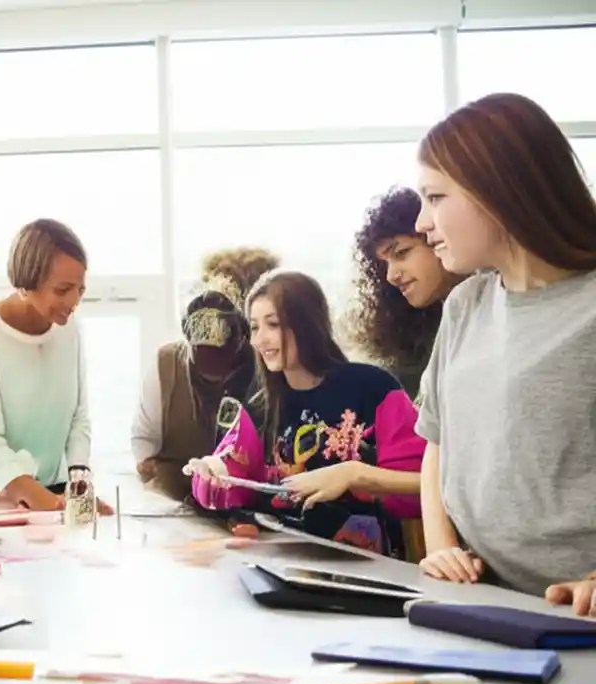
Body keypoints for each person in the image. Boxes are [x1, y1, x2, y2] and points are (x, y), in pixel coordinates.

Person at [411, 92, 596, 616]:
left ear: (497, 191)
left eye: (435, 198)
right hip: (482, 601)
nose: (423, 223)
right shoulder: (465, 304)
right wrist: (440, 546)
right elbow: (436, 440)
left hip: (577, 614)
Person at [188, 270, 424, 559]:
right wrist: (213, 473)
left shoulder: (373, 388)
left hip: (364, 566)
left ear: (307, 325)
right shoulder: (260, 405)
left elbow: (423, 485)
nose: (260, 340)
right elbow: (231, 482)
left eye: (272, 325)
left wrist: (355, 476)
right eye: (254, 327)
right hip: (279, 560)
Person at [0, 219, 112, 512]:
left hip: (53, 490)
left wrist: (79, 480)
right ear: (26, 284)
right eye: (62, 290)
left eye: (80, 290)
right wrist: (48, 503)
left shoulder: (70, 329)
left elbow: (79, 418)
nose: (73, 302)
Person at [131, 248, 278, 499]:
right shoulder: (167, 365)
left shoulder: (267, 364)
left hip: (250, 498)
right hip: (175, 500)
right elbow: (144, 446)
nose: (213, 378)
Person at [349, 186, 466, 398]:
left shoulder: (486, 309)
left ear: (436, 238)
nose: (391, 275)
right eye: (384, 264)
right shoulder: (416, 340)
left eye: (401, 253)